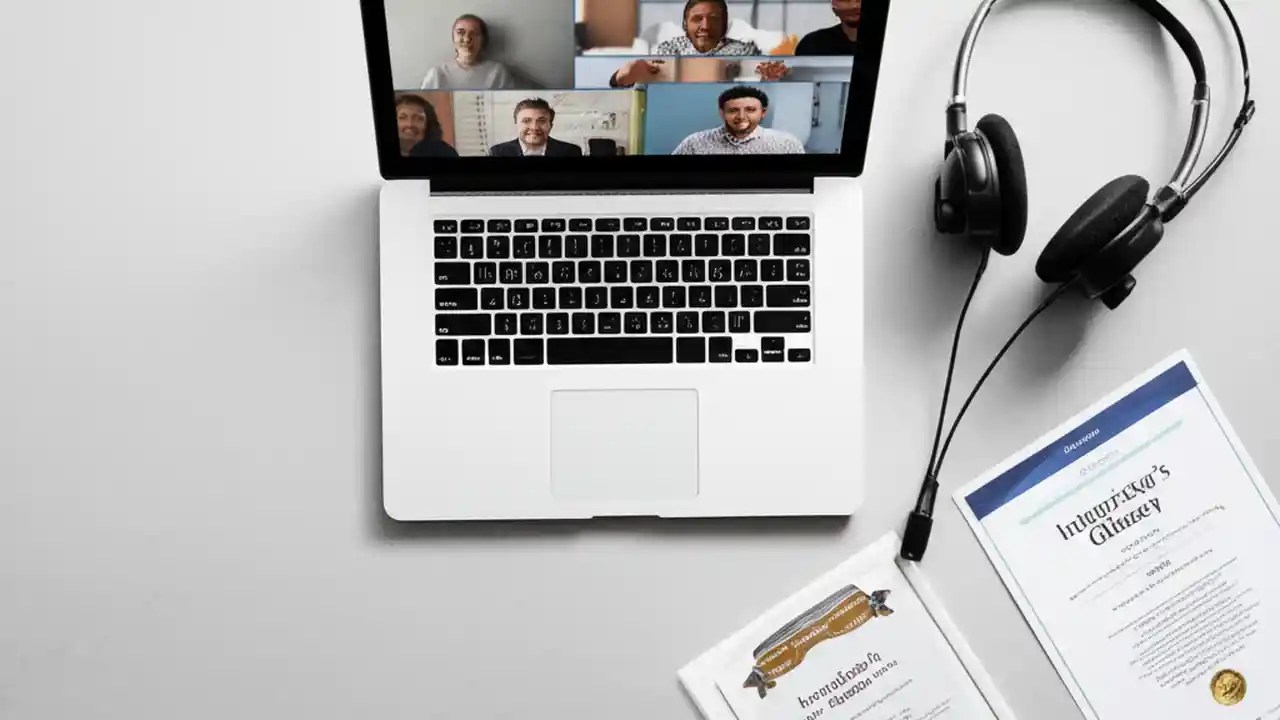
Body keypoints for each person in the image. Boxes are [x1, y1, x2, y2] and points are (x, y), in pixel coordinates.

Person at [672, 86, 805, 155]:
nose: (741, 116)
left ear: (763, 112)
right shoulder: (694, 143)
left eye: (750, 110)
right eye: (733, 110)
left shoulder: (786, 144)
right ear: (722, 113)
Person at [420, 14, 518, 90]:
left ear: (483, 40)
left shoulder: (498, 73)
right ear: (453, 38)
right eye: (460, 33)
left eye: (474, 34)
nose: (467, 39)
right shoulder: (437, 73)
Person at [652, 0, 761, 56]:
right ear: (685, 23)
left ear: (724, 24)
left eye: (714, 19)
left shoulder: (745, 52)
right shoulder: (670, 50)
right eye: (697, 19)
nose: (705, 26)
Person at [488, 98, 583, 157]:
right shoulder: (498, 153)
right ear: (516, 124)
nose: (534, 127)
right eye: (526, 121)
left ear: (551, 125)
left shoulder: (570, 152)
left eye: (541, 121)